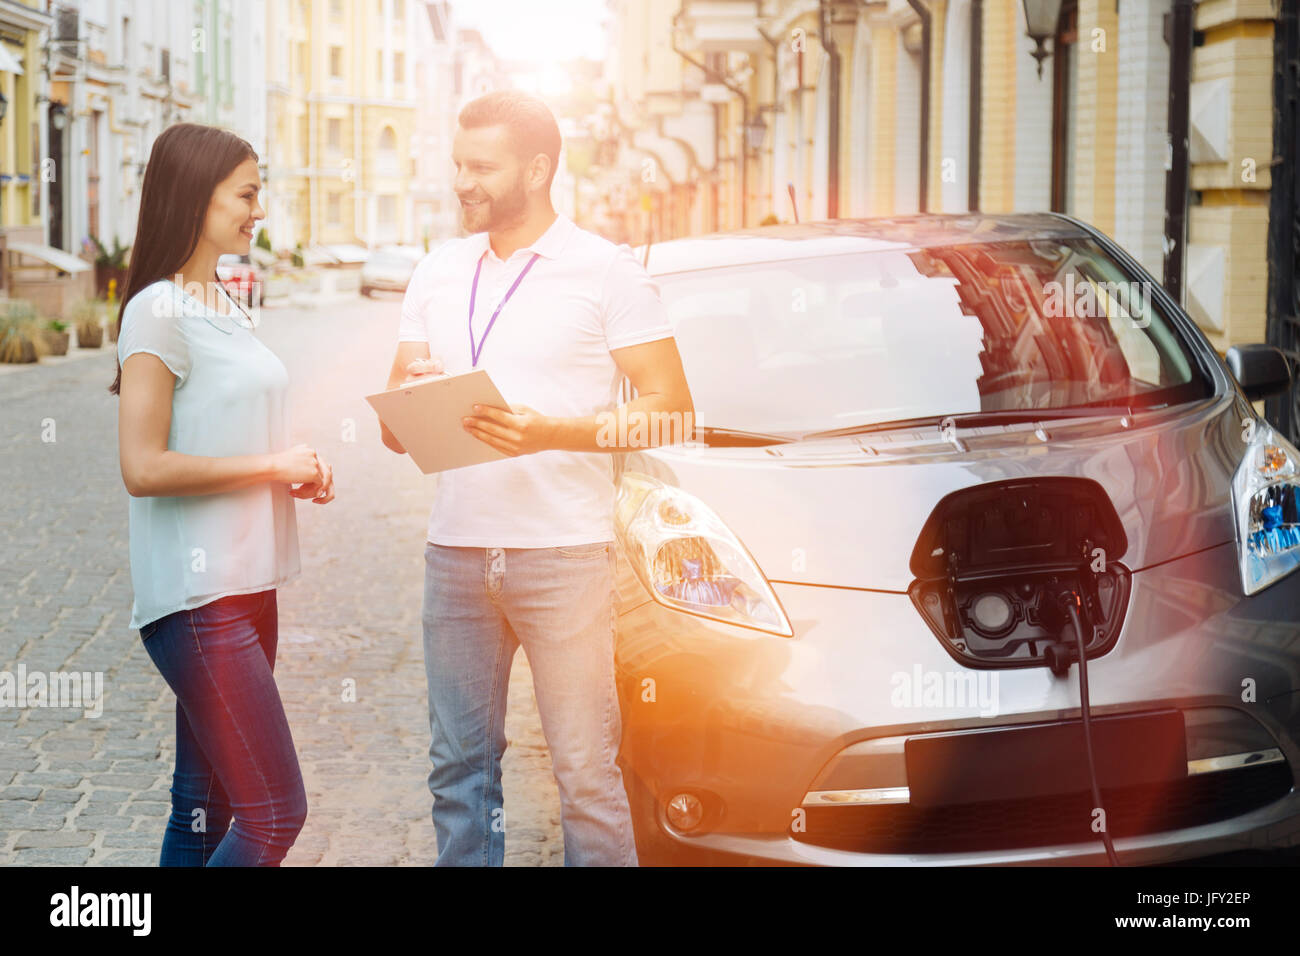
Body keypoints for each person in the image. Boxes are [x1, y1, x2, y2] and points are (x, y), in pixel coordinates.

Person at [380, 90, 694, 866]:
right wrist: (416, 397)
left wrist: (552, 432)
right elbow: (391, 429)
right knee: (458, 774)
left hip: (566, 558)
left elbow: (672, 412)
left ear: (539, 168)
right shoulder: (437, 270)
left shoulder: (604, 269)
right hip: (455, 556)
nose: (462, 181)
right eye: (458, 164)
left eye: (481, 166)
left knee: (585, 775)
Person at [111, 122, 335, 866]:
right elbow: (142, 467)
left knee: (202, 807)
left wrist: (292, 470)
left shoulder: (224, 302)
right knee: (275, 814)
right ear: (196, 197)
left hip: (248, 590)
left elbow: (225, 435)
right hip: (199, 599)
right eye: (246, 192)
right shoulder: (156, 311)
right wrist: (271, 464)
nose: (259, 209)